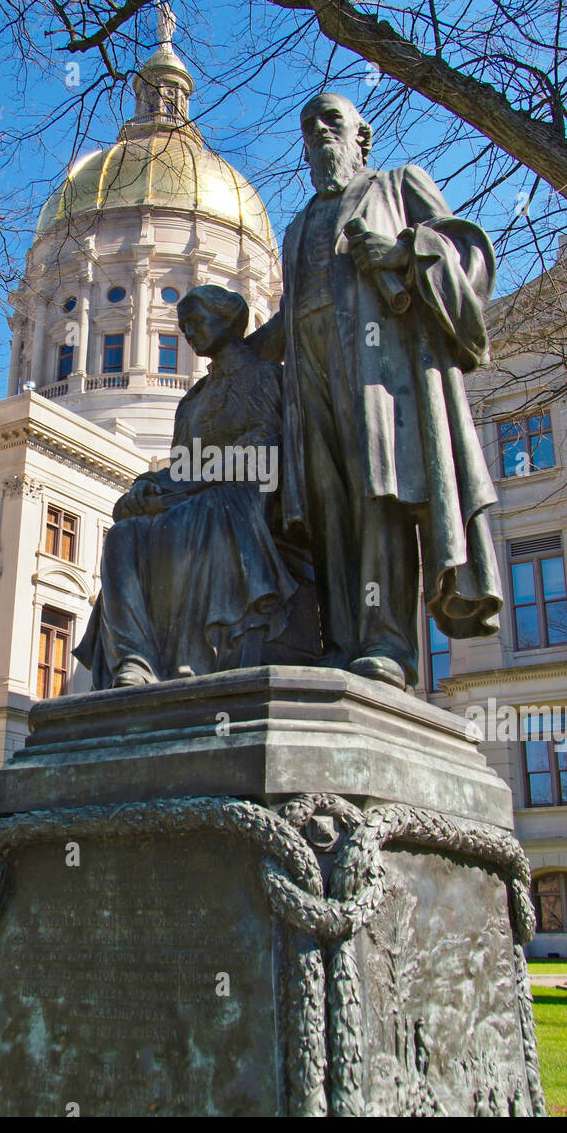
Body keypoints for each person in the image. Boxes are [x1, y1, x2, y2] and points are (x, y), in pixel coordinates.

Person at [249, 92, 503, 691]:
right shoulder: (298, 224)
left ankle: (385, 641)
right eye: (308, 126)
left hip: (378, 378)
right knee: (328, 509)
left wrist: (406, 252)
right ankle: (340, 643)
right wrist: (233, 347)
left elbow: (469, 255)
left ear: (362, 137)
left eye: (331, 121)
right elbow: (290, 316)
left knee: (378, 494)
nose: (318, 134)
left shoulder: (397, 185)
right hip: (310, 382)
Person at [76, 284, 299, 687]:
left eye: (196, 322)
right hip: (196, 495)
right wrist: (149, 484)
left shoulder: (264, 375)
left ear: (228, 320)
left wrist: (192, 482)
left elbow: (264, 446)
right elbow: (180, 465)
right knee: (124, 535)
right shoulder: (192, 400)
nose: (189, 333)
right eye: (182, 327)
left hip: (247, 494)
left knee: (196, 517)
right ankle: (134, 661)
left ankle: (194, 658)